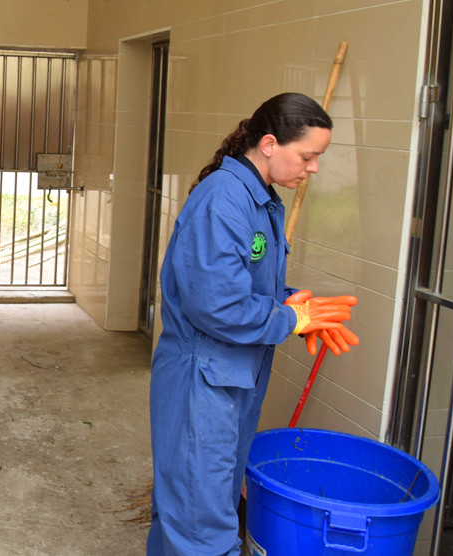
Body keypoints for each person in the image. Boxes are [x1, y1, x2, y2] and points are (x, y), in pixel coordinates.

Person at [147, 92, 359, 555]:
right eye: (308, 156)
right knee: (203, 527)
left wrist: (293, 305)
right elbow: (216, 307)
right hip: (202, 383)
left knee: (194, 507)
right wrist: (289, 318)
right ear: (268, 143)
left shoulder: (260, 200)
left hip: (230, 381)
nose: (314, 168)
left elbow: (238, 283)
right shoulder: (222, 201)